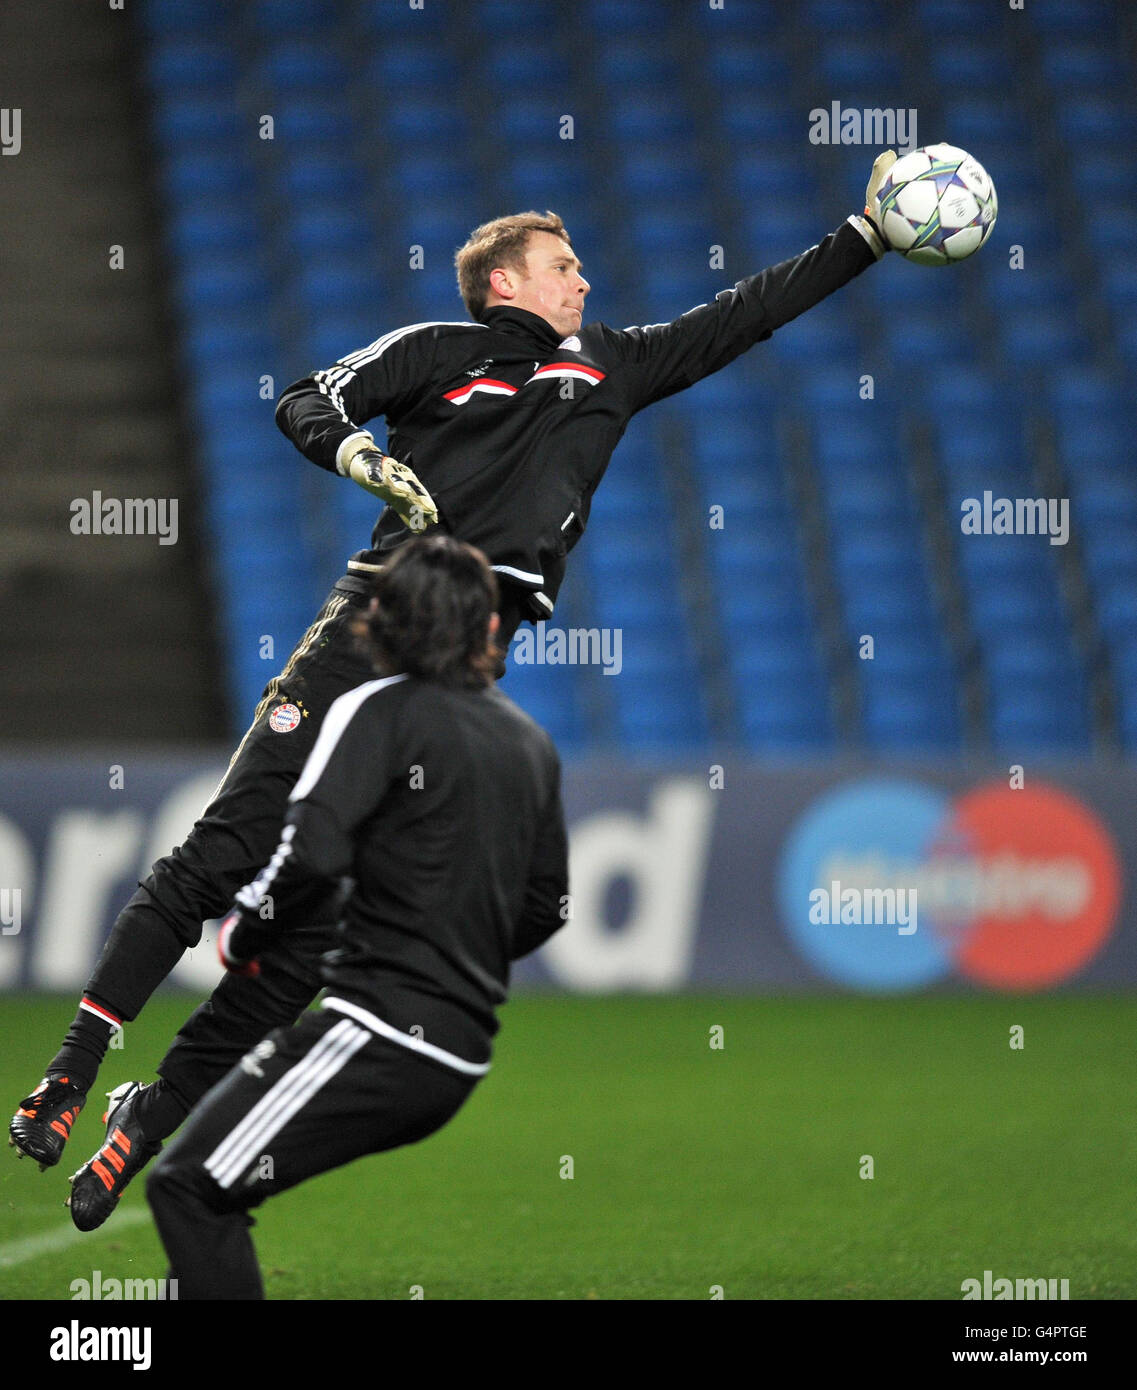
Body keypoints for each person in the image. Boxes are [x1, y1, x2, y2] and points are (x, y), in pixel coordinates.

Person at [10, 154, 898, 1226]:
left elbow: (744, 314)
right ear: (504, 282)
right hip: (371, 628)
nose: (583, 280)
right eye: (562, 265)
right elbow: (310, 393)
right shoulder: (442, 352)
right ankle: (69, 1074)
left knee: (311, 932)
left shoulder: (612, 367)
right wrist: (355, 457)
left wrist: (865, 235)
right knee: (219, 857)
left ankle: (148, 1123)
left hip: (465, 671)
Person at [144, 535, 568, 1299]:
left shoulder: (375, 707)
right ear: (486, 629)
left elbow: (309, 852)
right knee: (214, 1192)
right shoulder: (528, 741)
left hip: (375, 1032)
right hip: (459, 1051)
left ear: (386, 619)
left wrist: (245, 930)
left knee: (187, 1188)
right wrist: (451, 946)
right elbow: (545, 905)